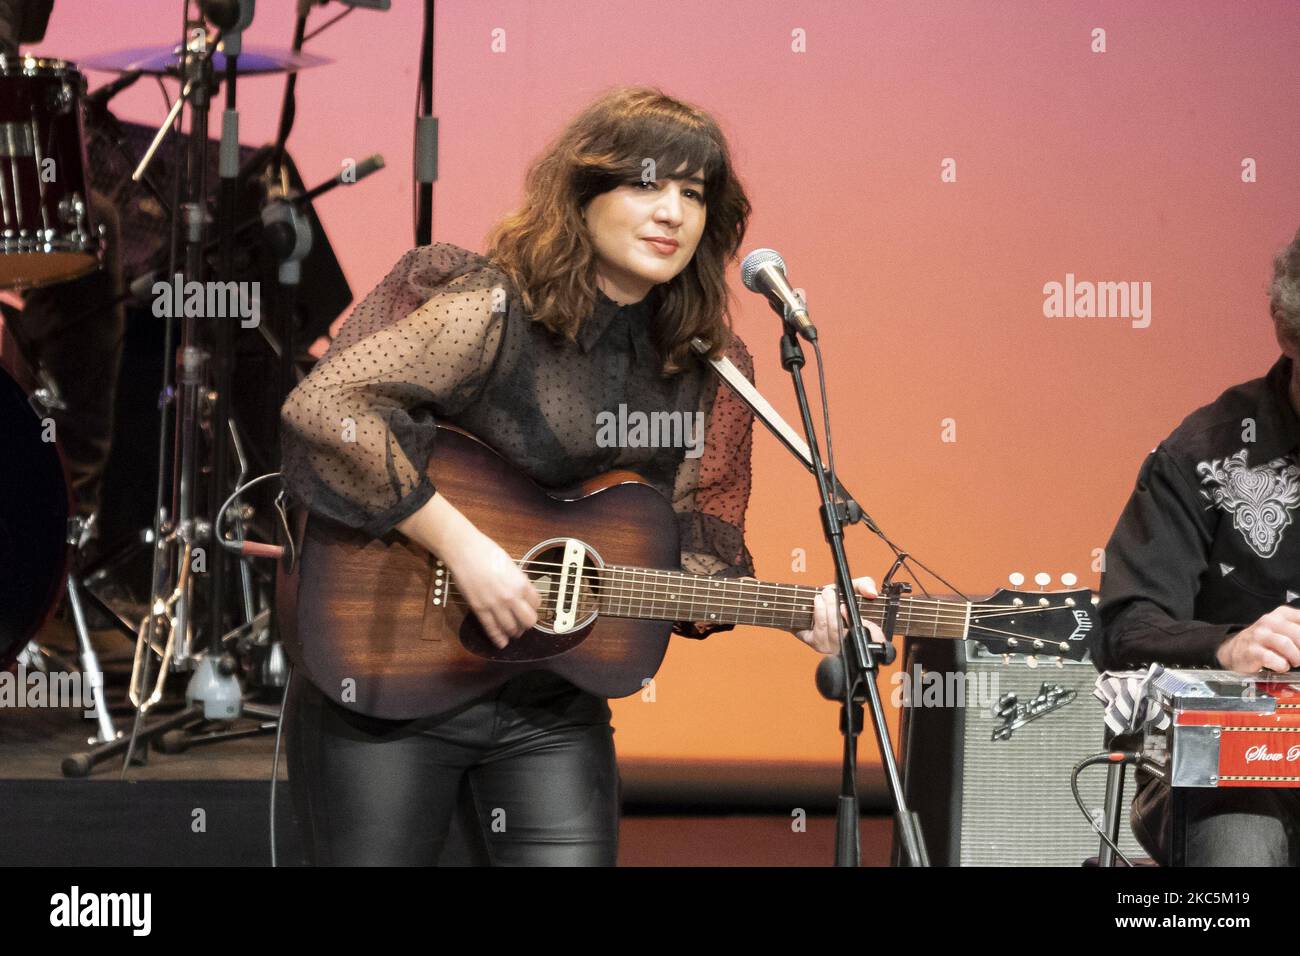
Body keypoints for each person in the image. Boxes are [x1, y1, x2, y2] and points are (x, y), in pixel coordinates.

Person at [278, 86, 880, 866]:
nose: (672, 212)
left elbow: (688, 555)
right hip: (390, 677)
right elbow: (328, 406)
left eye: (694, 195)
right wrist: (464, 548)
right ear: (582, 194)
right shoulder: (492, 306)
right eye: (646, 183)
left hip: (551, 709)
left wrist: (797, 612)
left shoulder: (708, 365)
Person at [1093, 226, 1300, 866]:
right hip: (1232, 771)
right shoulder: (1206, 452)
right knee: (1242, 841)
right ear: (1291, 336)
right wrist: (1226, 645)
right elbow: (1129, 625)